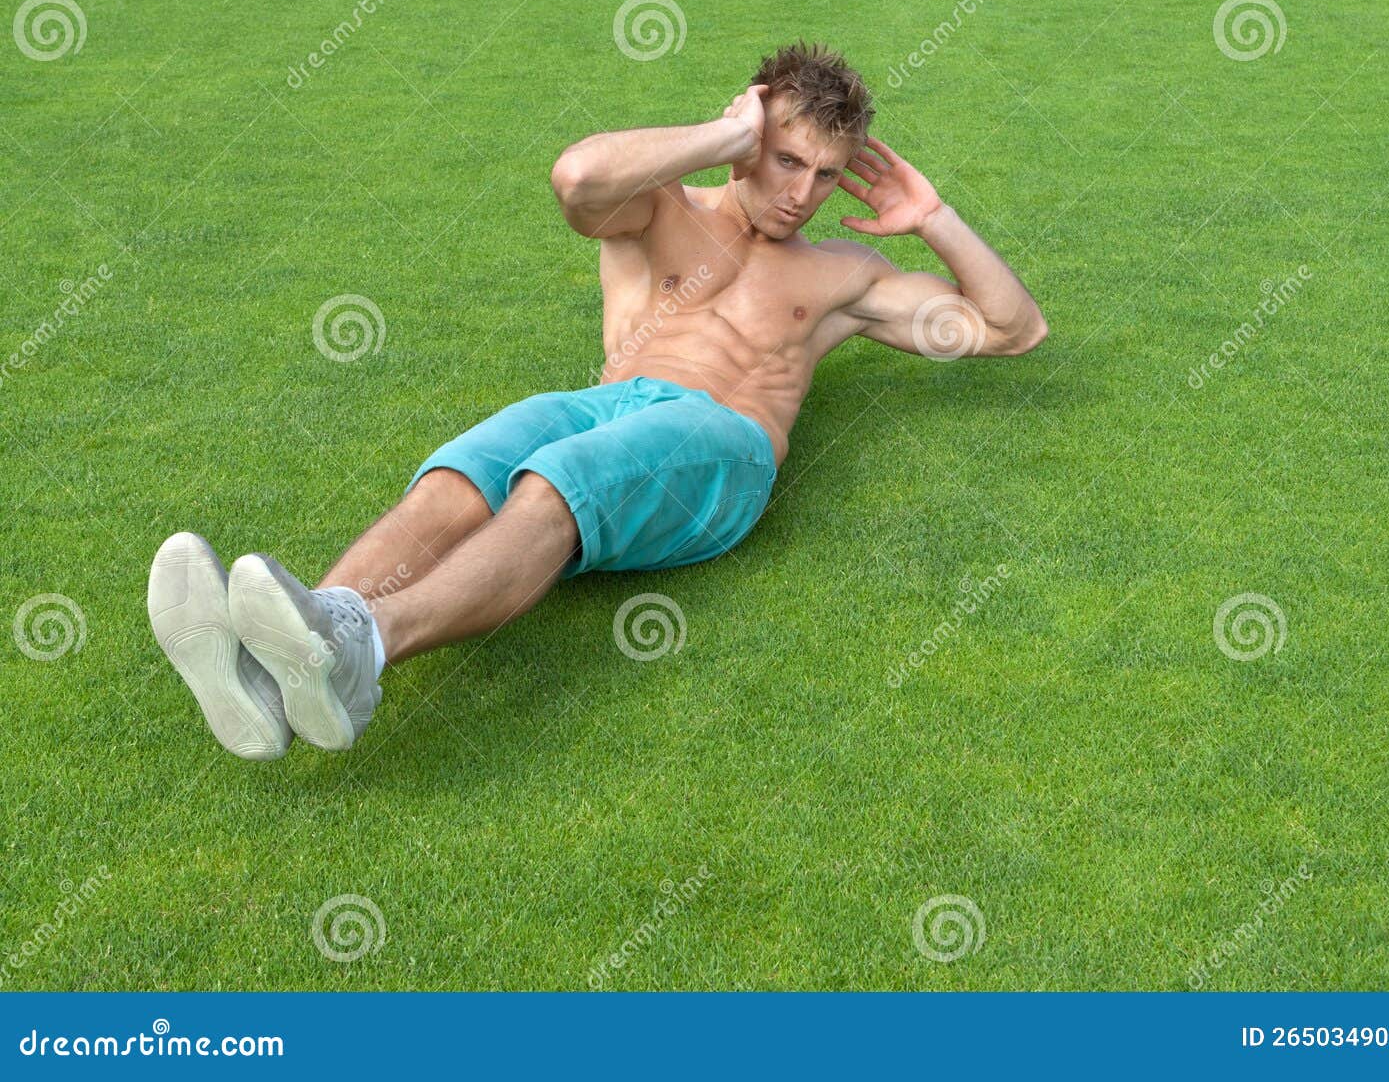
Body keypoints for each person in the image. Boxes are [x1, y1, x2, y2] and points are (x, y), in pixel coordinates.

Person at [146, 41, 1047, 760]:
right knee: (468, 471)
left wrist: (932, 217)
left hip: (721, 439)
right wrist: (723, 135)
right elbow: (577, 177)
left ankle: (362, 646)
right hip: (605, 403)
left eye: (825, 172)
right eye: (785, 159)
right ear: (749, 132)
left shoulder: (846, 275)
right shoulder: (659, 208)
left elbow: (1012, 328)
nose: (802, 193)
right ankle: (273, 676)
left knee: (559, 477)